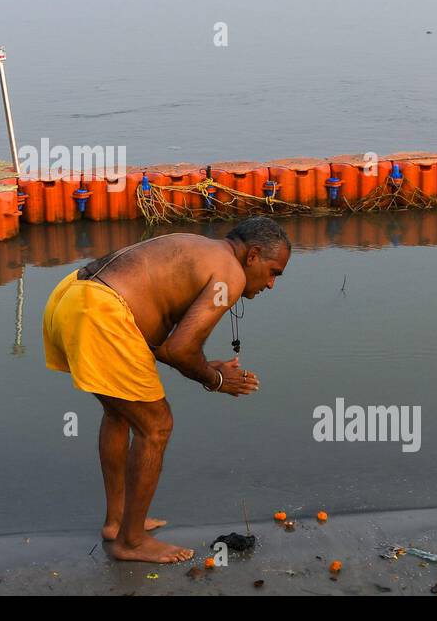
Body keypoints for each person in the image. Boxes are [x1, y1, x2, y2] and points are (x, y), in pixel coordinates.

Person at [42, 216, 291, 563]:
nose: (272, 284)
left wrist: (207, 366)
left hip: (73, 296)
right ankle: (130, 542)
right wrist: (216, 380)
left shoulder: (201, 247)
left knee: (119, 412)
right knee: (156, 426)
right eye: (274, 271)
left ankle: (118, 522)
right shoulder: (230, 275)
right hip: (102, 312)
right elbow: (180, 350)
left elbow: (162, 339)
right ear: (253, 255)